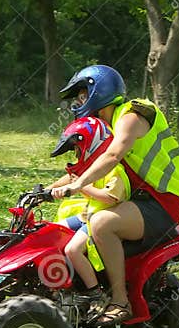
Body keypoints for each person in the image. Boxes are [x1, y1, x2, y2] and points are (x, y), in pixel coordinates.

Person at [50, 65, 179, 326]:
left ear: (98, 91)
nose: (78, 103)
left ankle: (119, 301)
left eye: (82, 95)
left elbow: (113, 156)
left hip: (162, 201)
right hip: (139, 200)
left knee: (102, 224)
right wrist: (47, 191)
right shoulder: (106, 126)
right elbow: (85, 167)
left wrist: (79, 184)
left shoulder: (130, 115)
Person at [50, 117, 130, 300]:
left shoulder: (115, 170)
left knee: (73, 250)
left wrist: (81, 187)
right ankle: (61, 282)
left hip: (100, 220)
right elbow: (71, 178)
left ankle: (95, 293)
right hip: (86, 216)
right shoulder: (92, 167)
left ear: (92, 145)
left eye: (78, 151)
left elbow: (110, 198)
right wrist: (46, 191)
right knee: (51, 232)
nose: (77, 156)